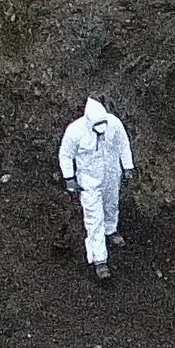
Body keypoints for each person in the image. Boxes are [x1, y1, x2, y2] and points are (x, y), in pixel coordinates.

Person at [56, 96, 134, 281]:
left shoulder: (114, 124)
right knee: (93, 218)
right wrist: (69, 177)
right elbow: (65, 155)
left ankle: (111, 229)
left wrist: (127, 166)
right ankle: (99, 259)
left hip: (111, 175)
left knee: (111, 204)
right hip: (89, 181)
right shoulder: (75, 131)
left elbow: (123, 144)